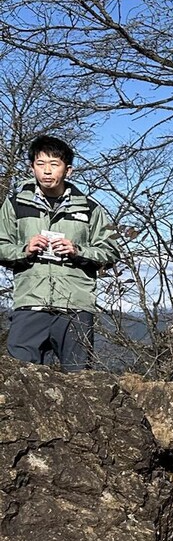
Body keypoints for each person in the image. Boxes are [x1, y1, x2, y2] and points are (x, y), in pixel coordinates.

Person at [0, 134, 119, 371]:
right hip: (30, 303)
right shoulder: (15, 204)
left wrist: (78, 250)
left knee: (79, 380)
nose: (46, 171)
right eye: (40, 164)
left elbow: (111, 250)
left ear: (68, 170)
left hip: (75, 306)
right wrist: (25, 249)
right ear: (32, 166)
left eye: (54, 164)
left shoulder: (89, 208)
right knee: (20, 378)